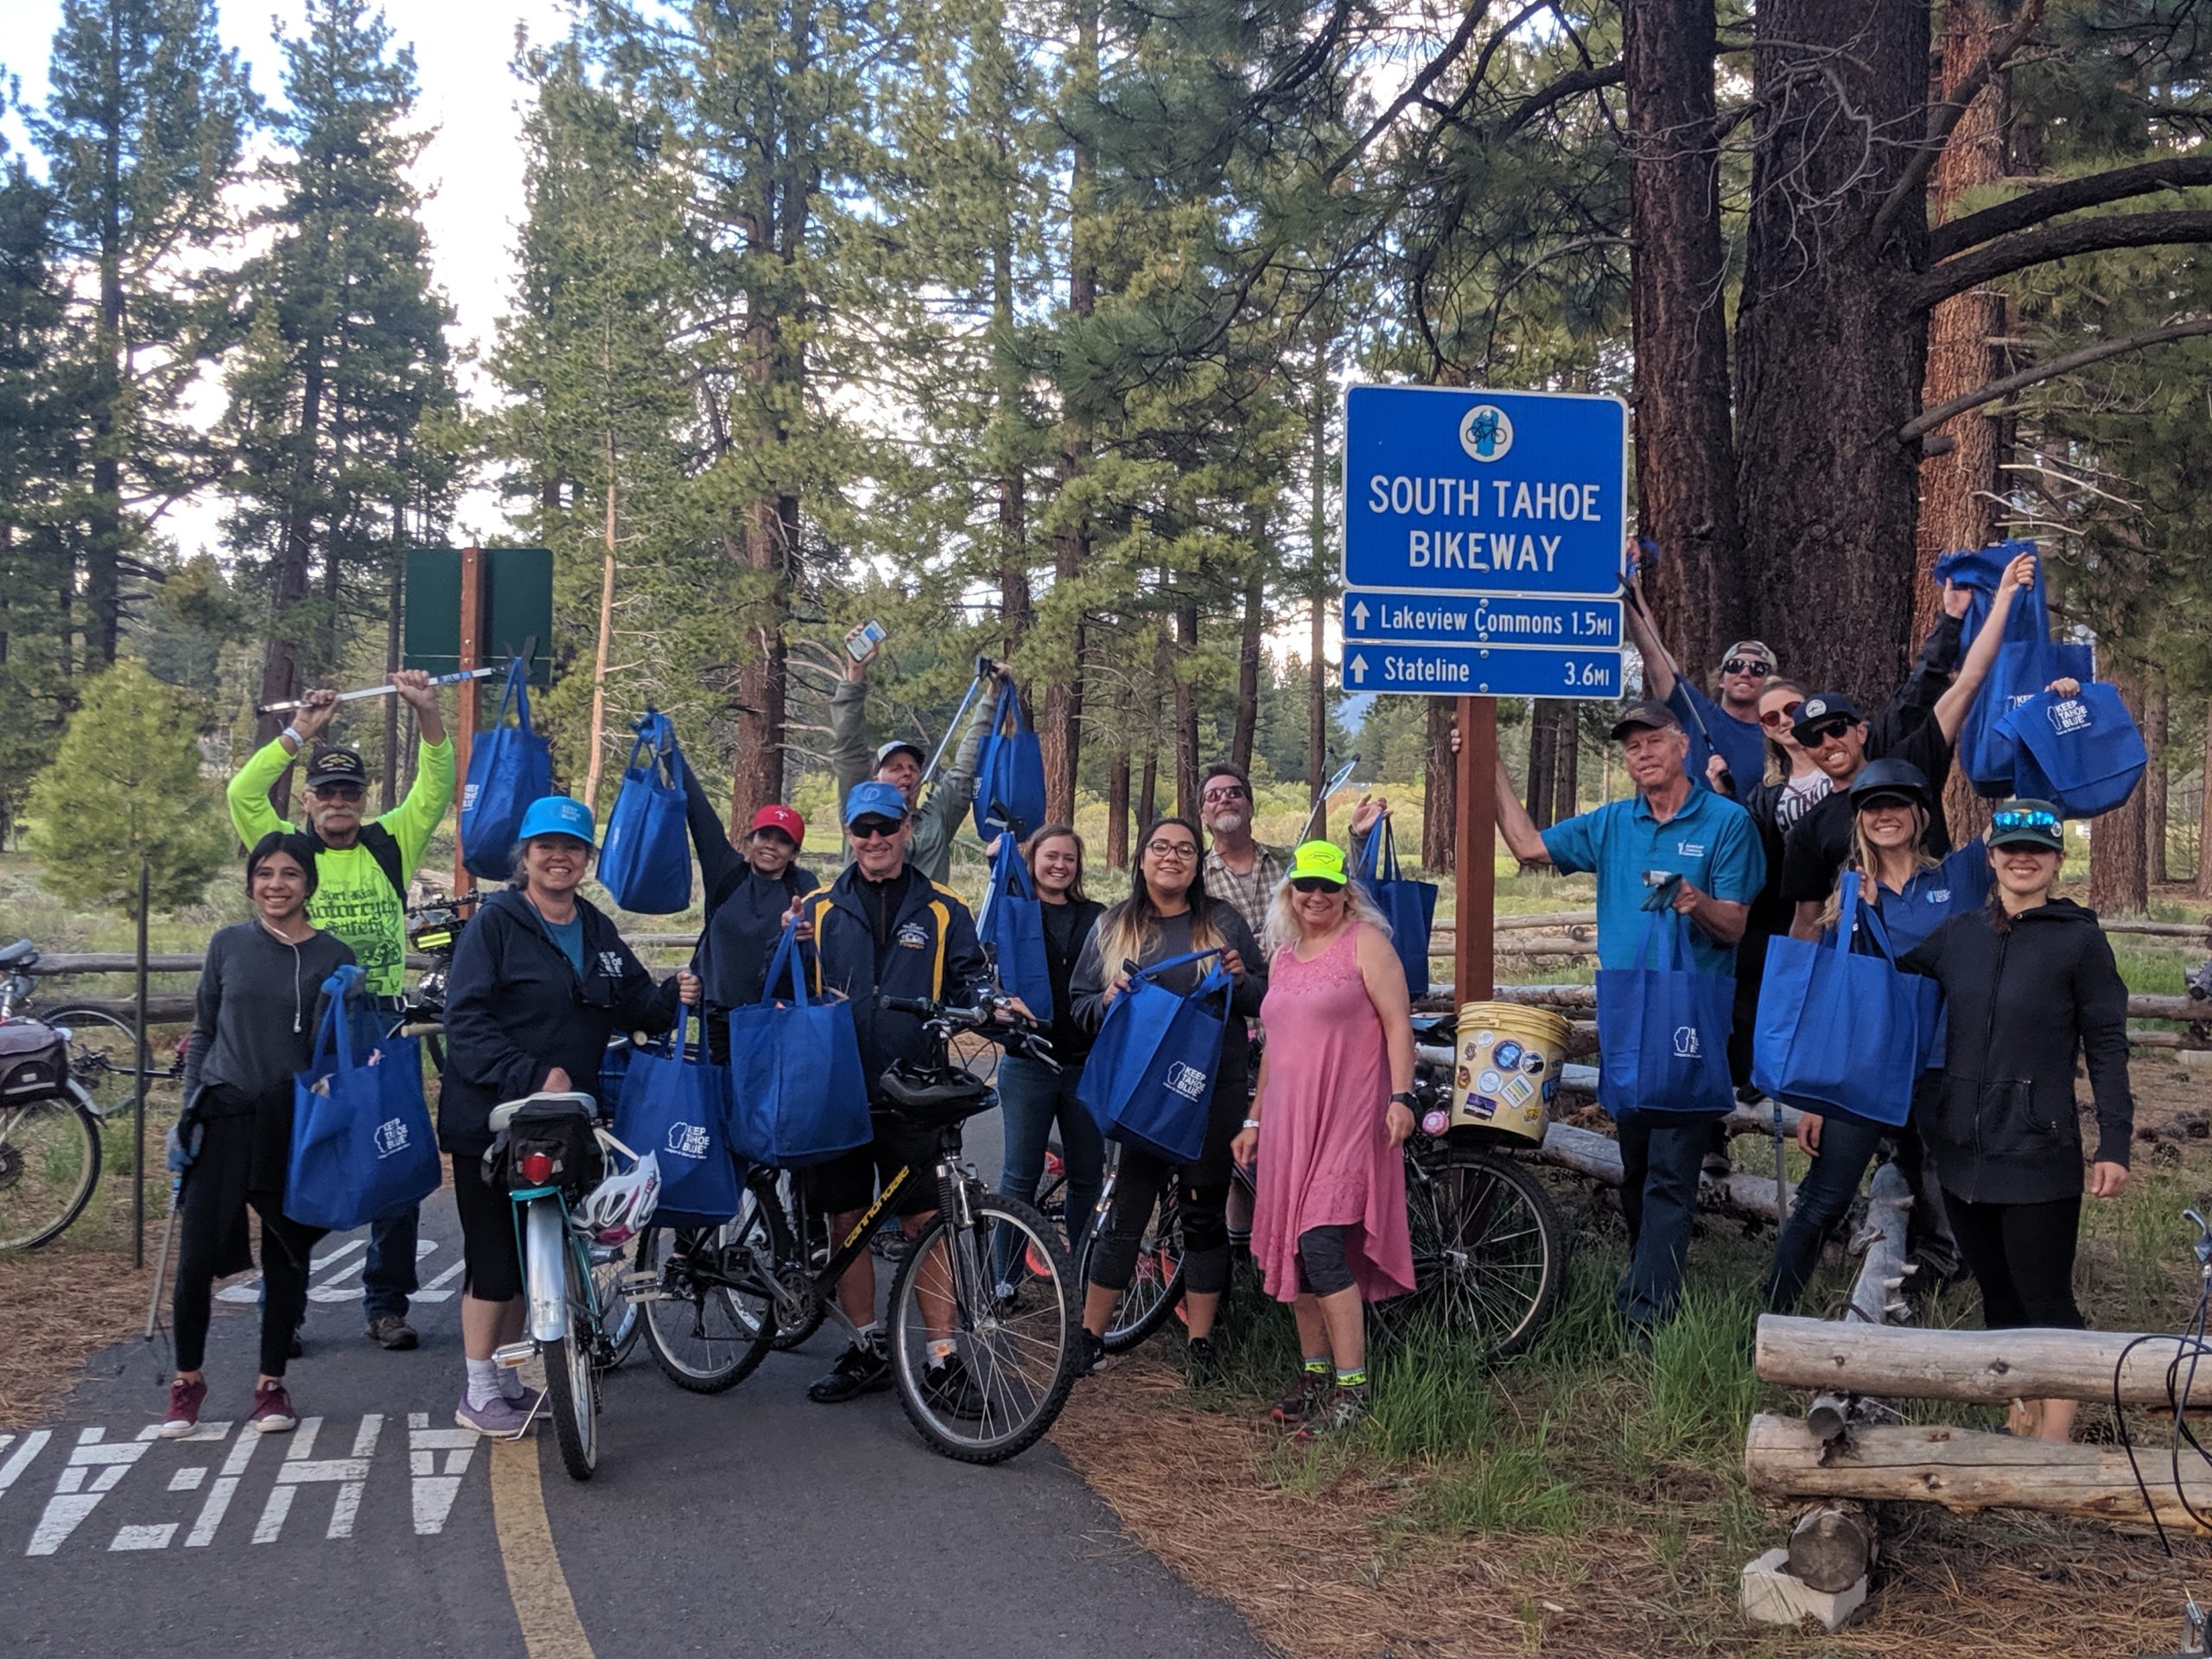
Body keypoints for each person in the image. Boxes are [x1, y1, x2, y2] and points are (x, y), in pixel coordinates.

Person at [1492, 701, 1764, 1337]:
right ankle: (1651, 1277)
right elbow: (1530, 848)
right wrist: (1488, 768)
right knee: (1638, 1160)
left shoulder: (1726, 822)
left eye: (1651, 741)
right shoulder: (1614, 822)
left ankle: (1646, 1315)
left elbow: (1735, 925)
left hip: (1691, 1011)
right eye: (1630, 746)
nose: (1640, 753)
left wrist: (1694, 902)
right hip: (1627, 1006)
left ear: (1681, 748)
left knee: (1672, 1164)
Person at [440, 796, 693, 1436]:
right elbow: (464, 1022)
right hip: (492, 1120)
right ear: (524, 856)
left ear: (587, 860)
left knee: (536, 1253)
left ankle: (505, 1378)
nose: (559, 857)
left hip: (565, 1121)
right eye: (546, 846)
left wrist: (675, 994)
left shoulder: (597, 929)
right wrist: (530, 1075)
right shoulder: (494, 926)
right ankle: (476, 1389)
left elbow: (636, 1002)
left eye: (572, 847)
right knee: (494, 1260)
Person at [225, 671, 454, 1352]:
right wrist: (300, 732)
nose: (338, 803)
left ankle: (386, 1304)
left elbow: (435, 784)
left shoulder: (390, 842)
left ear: (362, 799)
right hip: (302, 1028)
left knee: (395, 1157)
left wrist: (429, 713)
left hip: (378, 1020)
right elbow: (241, 792)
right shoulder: (290, 854)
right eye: (326, 792)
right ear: (309, 798)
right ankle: (284, 1307)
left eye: (349, 792)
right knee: (297, 1163)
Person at [1898, 799, 2132, 1443]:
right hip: (1963, 1152)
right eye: (2010, 848)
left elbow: (2108, 1046)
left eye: (2038, 849)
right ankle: (2018, 1424)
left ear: (2057, 860)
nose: (2022, 858)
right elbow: (1883, 976)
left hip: (2037, 1148)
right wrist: (1856, 902)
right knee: (1997, 1298)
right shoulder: (1959, 935)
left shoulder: (2079, 941)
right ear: (1992, 857)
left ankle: (2052, 1453)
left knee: (2046, 1301)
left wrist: (2114, 1143)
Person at [1761, 760, 1994, 1313]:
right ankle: (1773, 1310)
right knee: (1825, 1196)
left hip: (1943, 1061)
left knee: (1962, 1187)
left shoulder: (1956, 878)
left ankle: (1976, 1306)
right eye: (1872, 806)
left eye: (1897, 803)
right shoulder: (1846, 896)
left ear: (1920, 813)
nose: (1885, 814)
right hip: (1864, 1066)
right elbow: (1832, 1001)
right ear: (1859, 819)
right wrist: (1817, 1097)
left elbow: (2020, 811)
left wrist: (2042, 706)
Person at [796, 780, 996, 1406]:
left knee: (925, 1221)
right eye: (863, 829)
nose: (875, 840)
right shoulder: (819, 908)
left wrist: (989, 1005)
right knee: (847, 1221)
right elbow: (793, 987)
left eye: (886, 827)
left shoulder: (943, 907)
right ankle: (866, 1349)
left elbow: (972, 980)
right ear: (849, 833)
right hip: (839, 1088)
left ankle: (941, 1359)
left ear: (908, 829)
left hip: (914, 1088)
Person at [160, 832, 358, 1439]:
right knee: (196, 1259)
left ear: (309, 885)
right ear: (250, 883)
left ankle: (271, 1385)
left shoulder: (332, 955)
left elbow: (336, 1055)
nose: (277, 884)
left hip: (290, 1120)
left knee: (287, 1254)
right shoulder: (227, 946)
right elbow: (204, 1032)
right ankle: (187, 1381)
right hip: (222, 1111)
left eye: (290, 874)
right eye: (265, 873)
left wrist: (345, 1002)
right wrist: (186, 1114)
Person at [1232, 841, 1416, 1440]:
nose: (1316, 896)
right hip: (1288, 1122)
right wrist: (1254, 1120)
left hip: (1349, 1114)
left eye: (1328, 886)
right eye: (1305, 885)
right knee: (1293, 1248)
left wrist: (1402, 1097)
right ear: (1290, 892)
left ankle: (1352, 1389)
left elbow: (1397, 1023)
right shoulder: (1283, 959)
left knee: (1320, 1243)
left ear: (1346, 892)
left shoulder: (1366, 944)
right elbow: (1273, 1050)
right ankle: (1314, 1372)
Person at [1073, 816, 1268, 1380]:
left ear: (1197, 862)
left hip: (1213, 1090)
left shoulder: (1222, 921)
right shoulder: (1115, 927)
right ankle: (1090, 1336)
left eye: (1185, 849)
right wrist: (1107, 998)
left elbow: (1261, 997)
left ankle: (1201, 1345)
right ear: (1142, 858)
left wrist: (1239, 978)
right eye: (1161, 847)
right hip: (1143, 1092)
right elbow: (1081, 1007)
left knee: (1202, 1217)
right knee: (1128, 1214)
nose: (1172, 857)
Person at [1779, 548, 2041, 931]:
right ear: (1804, 749)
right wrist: (1800, 990)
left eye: (1837, 729)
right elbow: (1806, 922)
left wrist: (2001, 599)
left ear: (1861, 730)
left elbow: (1968, 682)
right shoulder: (1810, 829)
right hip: (1865, 965)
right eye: (1813, 739)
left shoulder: (1909, 766)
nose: (1829, 743)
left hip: (1944, 941)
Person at [992, 823, 1106, 1288]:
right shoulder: (1012, 913)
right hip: (1029, 1064)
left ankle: (1081, 1280)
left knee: (1087, 1178)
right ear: (1033, 860)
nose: (1059, 865)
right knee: (1019, 1177)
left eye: (1069, 859)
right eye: (1050, 857)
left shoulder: (1098, 916)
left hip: (1086, 1065)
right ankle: (1004, 1280)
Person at [677, 754, 818, 1063]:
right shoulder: (725, 873)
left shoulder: (802, 886)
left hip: (776, 1017)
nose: (771, 845)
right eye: (765, 836)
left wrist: (802, 926)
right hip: (717, 1015)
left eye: (783, 841)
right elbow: (701, 816)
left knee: (766, 1103)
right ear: (750, 839)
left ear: (794, 852)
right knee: (719, 1099)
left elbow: (815, 923)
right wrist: (671, 755)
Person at [831, 654, 1011, 885]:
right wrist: (854, 678)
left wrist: (992, 699)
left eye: (913, 768)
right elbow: (849, 753)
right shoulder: (857, 810)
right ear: (876, 779)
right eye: (895, 768)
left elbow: (964, 770)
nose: (907, 773)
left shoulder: (937, 819)